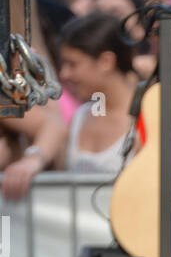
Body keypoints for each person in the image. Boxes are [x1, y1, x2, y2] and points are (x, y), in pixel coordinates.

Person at [57, 12, 140, 175]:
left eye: (73, 64)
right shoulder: (79, 117)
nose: (64, 74)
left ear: (106, 62)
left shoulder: (146, 121)